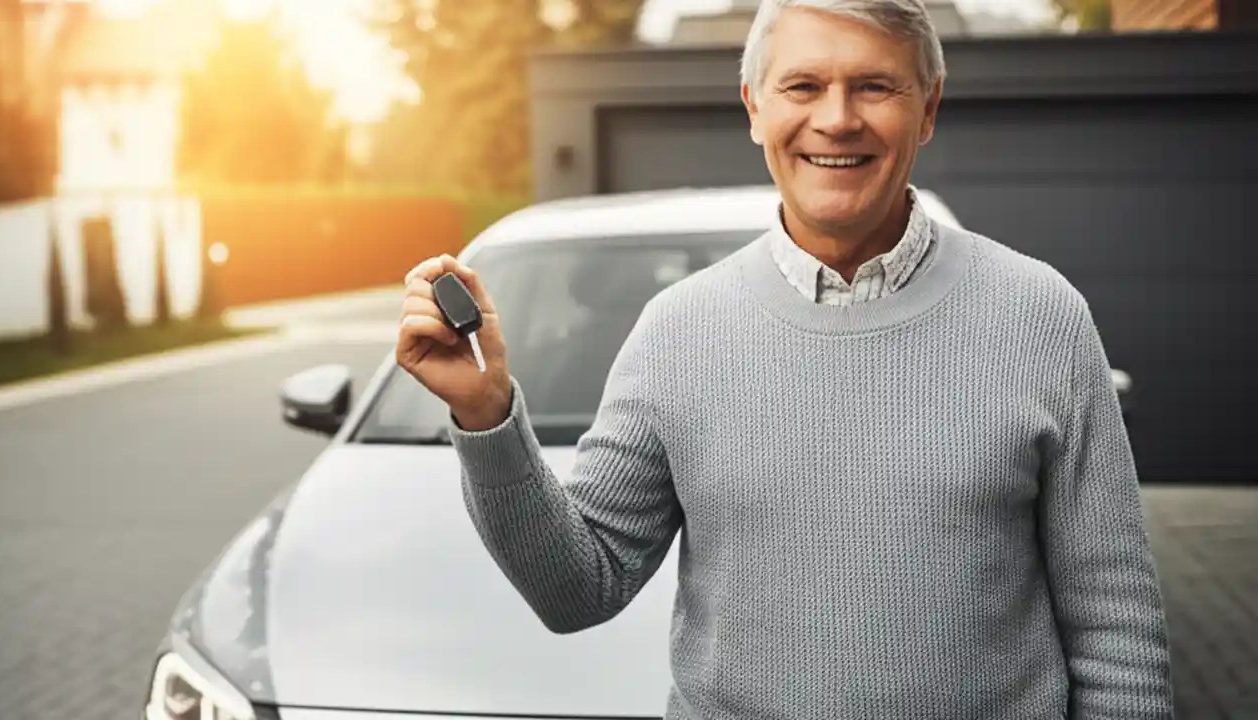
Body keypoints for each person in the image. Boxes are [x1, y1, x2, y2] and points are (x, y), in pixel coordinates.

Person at [394, 0, 1174, 717]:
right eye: (803, 85)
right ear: (755, 109)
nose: (837, 120)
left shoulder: (1041, 317)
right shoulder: (678, 332)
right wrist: (485, 413)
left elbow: (1117, 634)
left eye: (875, 86)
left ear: (927, 108)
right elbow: (577, 589)